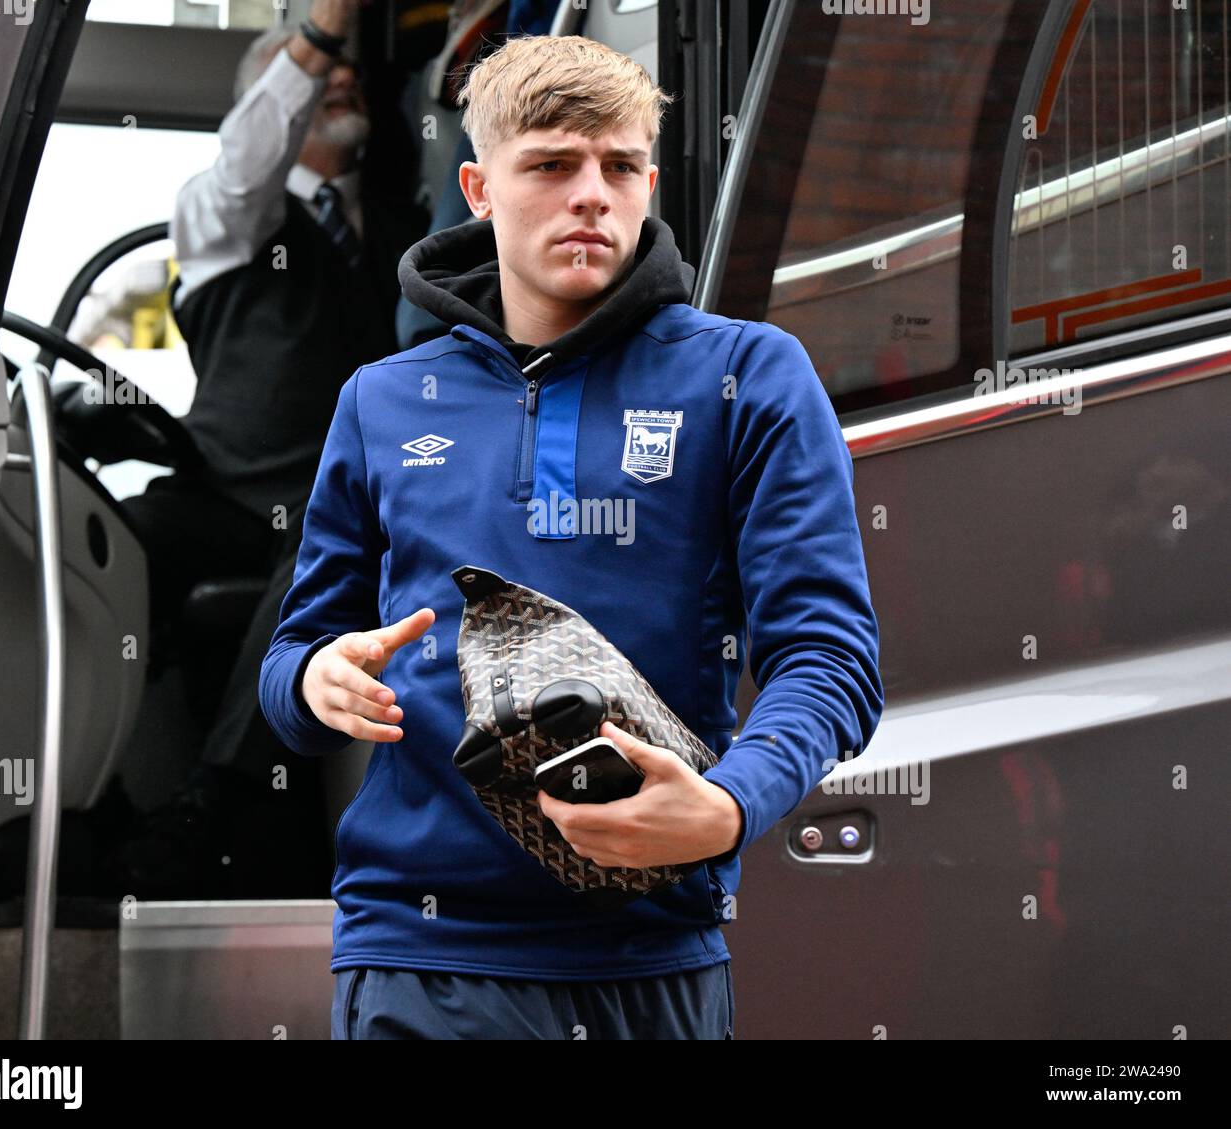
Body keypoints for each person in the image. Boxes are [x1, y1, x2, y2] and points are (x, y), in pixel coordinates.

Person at [259, 34, 885, 1039]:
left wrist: (727, 805)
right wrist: (314, 680)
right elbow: (292, 659)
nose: (591, 194)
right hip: (417, 958)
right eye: (551, 163)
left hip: (650, 959)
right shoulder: (381, 400)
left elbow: (830, 658)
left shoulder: (752, 379)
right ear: (478, 186)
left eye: (621, 165)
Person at [112, 0, 420, 897]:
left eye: (347, 72)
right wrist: (316, 36)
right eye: (319, 76)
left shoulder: (414, 228)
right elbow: (249, 158)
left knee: (332, 546)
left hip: (342, 507)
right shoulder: (222, 214)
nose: (343, 78)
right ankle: (92, 796)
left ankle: (217, 801)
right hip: (220, 496)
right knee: (113, 544)